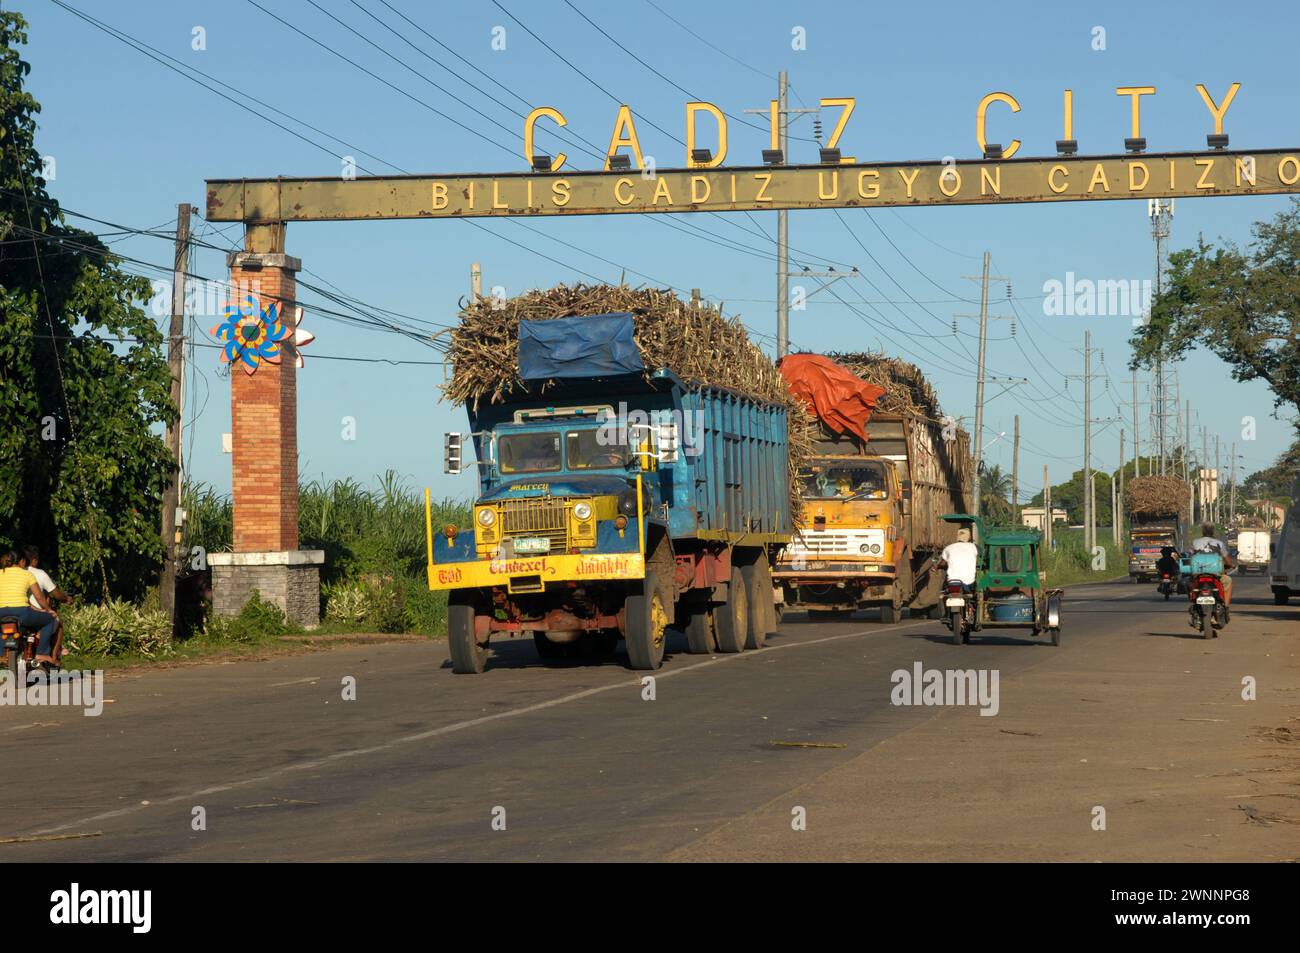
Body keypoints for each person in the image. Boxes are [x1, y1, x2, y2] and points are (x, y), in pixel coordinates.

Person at [0, 549, 59, 667]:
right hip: (22, 613)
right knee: (50, 620)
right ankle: (42, 653)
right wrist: (48, 610)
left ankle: (2, 655)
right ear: (21, 561)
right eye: (24, 563)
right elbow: (40, 597)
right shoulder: (27, 574)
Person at [22, 546, 72, 660]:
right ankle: (52, 658)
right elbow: (55, 594)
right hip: (35, 615)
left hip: (16, 612)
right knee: (57, 622)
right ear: (34, 560)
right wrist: (66, 599)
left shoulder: (17, 573)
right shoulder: (39, 573)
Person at [1190, 523, 1235, 608]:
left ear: (1202, 531)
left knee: (1189, 582)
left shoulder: (1195, 542)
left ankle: (1193, 599)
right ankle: (1225, 607)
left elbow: (1190, 557)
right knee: (1228, 581)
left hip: (1197, 573)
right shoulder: (1219, 543)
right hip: (1215, 574)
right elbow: (1227, 560)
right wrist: (1231, 565)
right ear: (1213, 531)